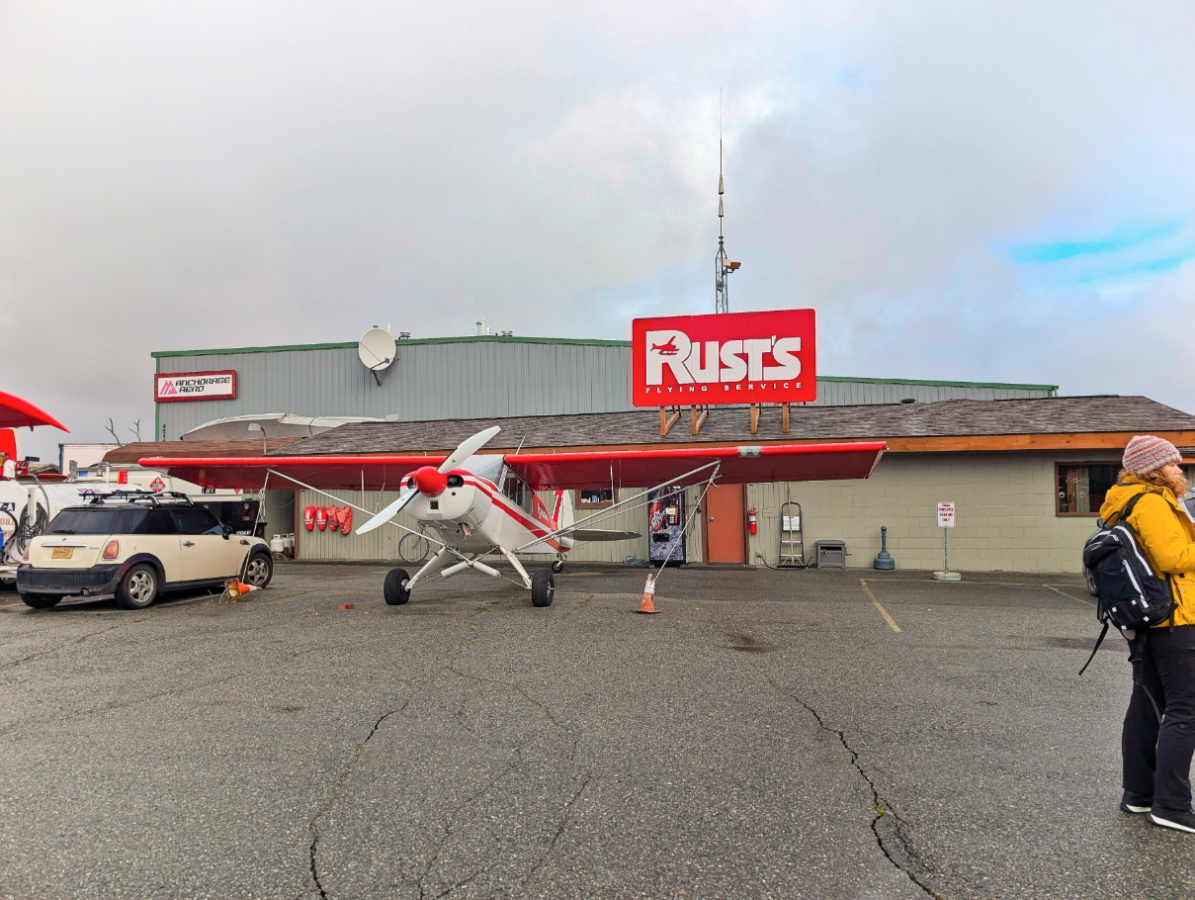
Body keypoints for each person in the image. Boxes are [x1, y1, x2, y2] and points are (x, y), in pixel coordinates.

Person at [1101, 435, 1195, 832]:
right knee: (1185, 710)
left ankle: (1138, 795)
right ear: (1153, 469)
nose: (1179, 468)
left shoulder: (1125, 501)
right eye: (1172, 463)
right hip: (1175, 619)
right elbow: (1172, 557)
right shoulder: (1151, 502)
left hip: (1149, 619)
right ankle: (1171, 805)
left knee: (1148, 704)